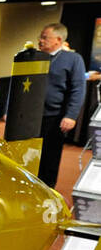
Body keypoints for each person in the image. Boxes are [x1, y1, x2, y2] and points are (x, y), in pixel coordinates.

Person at [35, 22, 87, 188]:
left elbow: (78, 89)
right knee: (30, 155)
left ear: (58, 39)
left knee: (49, 157)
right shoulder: (35, 57)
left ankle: (47, 189)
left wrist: (71, 115)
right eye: (40, 37)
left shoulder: (73, 59)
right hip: (31, 115)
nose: (40, 41)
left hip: (55, 117)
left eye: (45, 37)